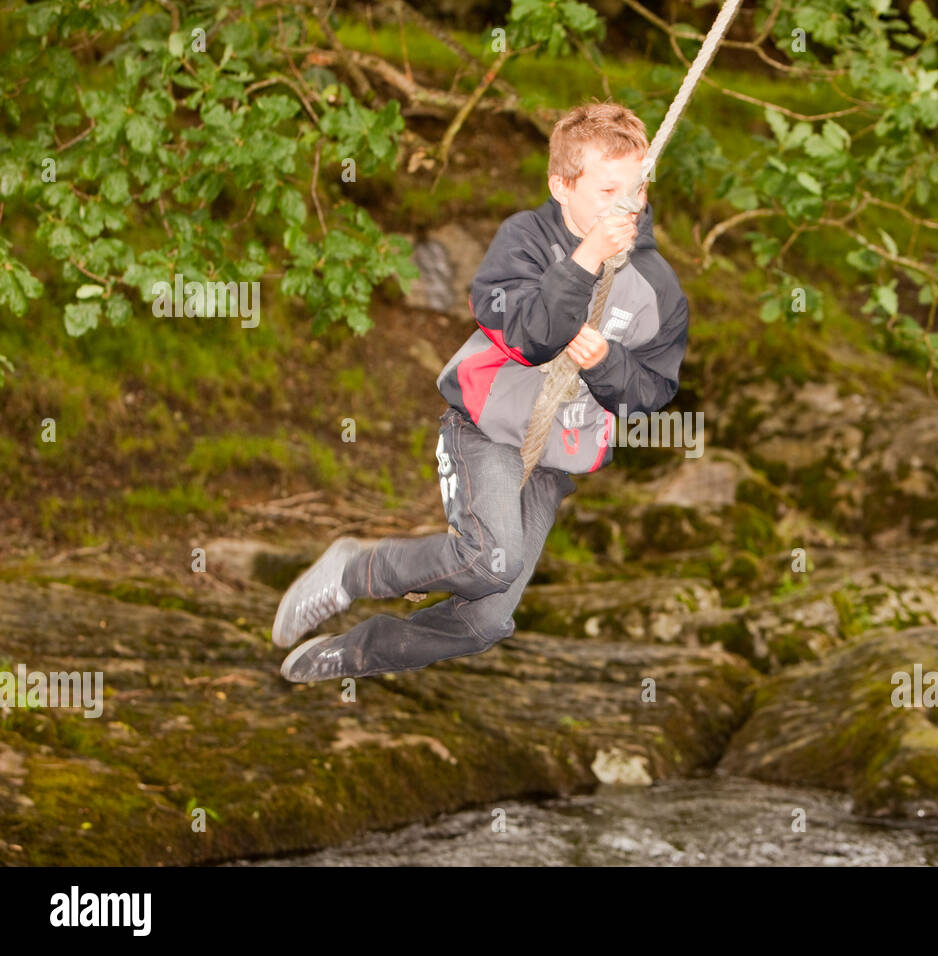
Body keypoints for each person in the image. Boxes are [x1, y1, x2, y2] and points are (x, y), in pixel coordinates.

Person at [274, 100, 691, 682]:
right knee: (488, 559)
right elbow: (527, 337)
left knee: (486, 622)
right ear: (561, 185)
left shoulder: (658, 288)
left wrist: (607, 364)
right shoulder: (523, 240)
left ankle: (357, 653)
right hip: (485, 429)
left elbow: (652, 392)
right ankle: (352, 570)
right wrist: (587, 260)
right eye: (606, 190)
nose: (625, 205)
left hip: (553, 460)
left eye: (636, 188)